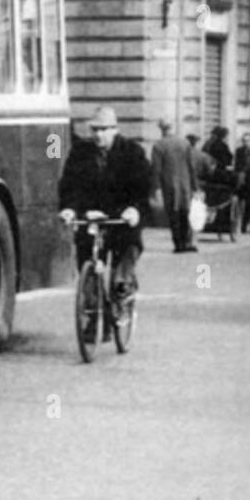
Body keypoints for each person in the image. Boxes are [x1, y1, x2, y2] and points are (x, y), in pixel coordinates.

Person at [59, 107, 152, 332]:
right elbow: (69, 184)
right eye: (95, 130)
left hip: (121, 219)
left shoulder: (132, 152)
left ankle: (122, 292)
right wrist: (69, 209)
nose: (98, 135)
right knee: (86, 261)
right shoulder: (80, 152)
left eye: (104, 130)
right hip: (91, 217)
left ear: (115, 130)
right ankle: (92, 314)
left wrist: (134, 210)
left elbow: (143, 187)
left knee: (127, 251)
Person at [151, 119, 198, 253]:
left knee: (173, 214)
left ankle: (178, 244)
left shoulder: (159, 146)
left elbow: (156, 169)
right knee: (185, 213)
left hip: (169, 184)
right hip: (185, 184)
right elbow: (191, 167)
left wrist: (156, 188)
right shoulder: (185, 143)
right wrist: (195, 187)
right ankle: (187, 241)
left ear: (161, 129)